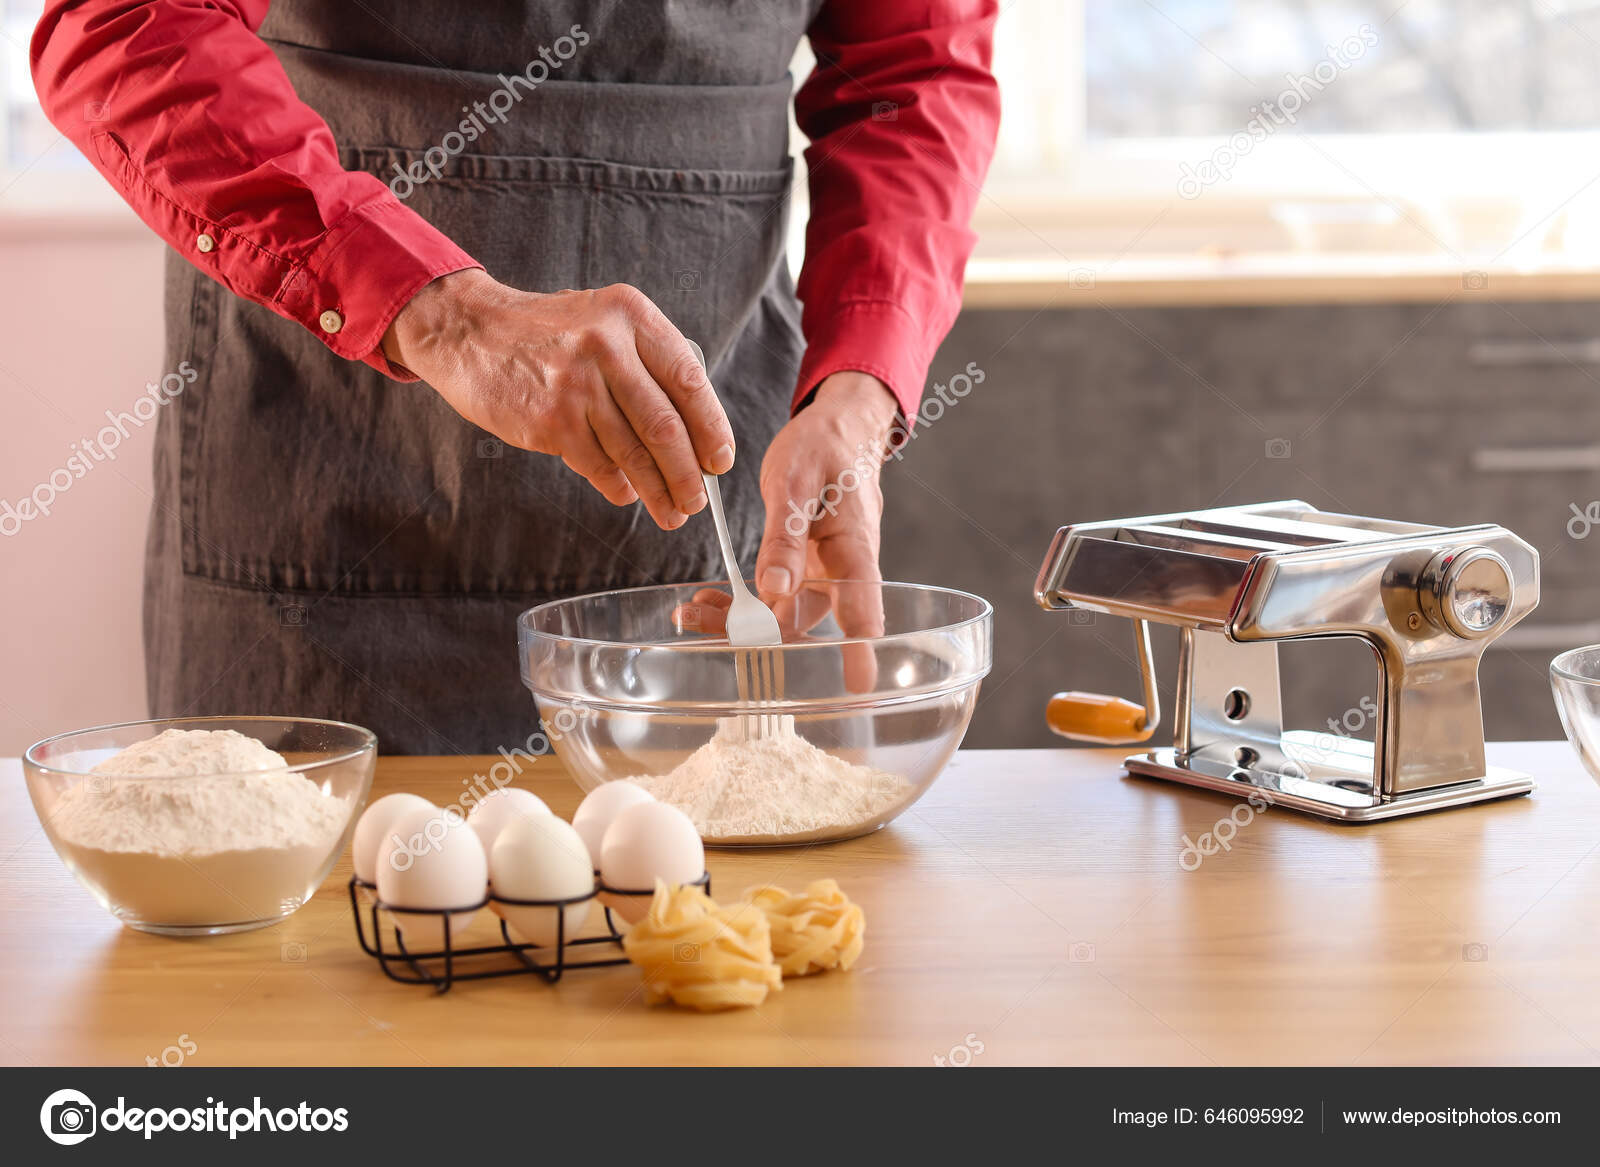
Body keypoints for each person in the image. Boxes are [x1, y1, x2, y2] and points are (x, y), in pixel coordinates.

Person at [31, 1, 1000, 752]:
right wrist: (440, 315)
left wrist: (861, 393)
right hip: (318, 552)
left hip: (716, 566)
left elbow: (914, 76)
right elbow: (125, 25)